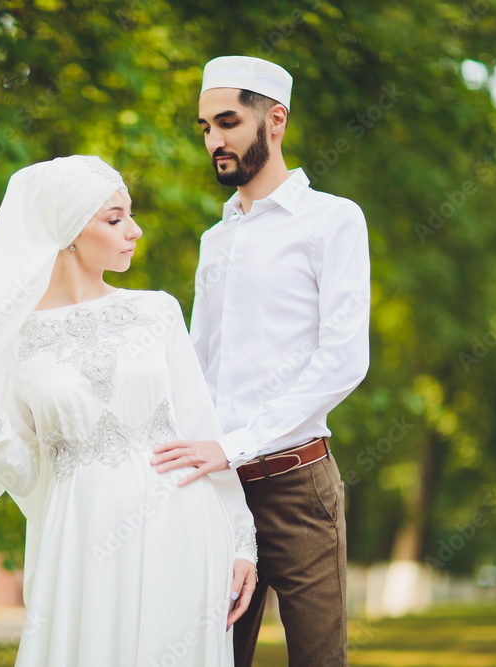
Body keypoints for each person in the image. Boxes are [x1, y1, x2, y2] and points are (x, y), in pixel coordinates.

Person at [0, 155, 258, 667]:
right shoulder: (18, 340)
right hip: (82, 540)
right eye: (114, 218)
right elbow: (30, 477)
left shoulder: (157, 310)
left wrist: (241, 541)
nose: (134, 230)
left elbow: (202, 432)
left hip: (182, 529)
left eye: (130, 214)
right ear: (69, 230)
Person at [150, 56, 370, 666]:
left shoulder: (334, 221)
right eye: (204, 127)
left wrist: (241, 441)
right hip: (218, 489)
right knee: (212, 656)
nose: (214, 141)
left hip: (298, 486)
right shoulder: (215, 239)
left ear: (275, 121)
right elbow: (200, 361)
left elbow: (344, 359)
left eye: (227, 122)